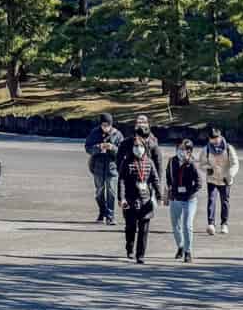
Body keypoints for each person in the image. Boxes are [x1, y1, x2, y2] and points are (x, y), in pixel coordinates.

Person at [118, 132, 162, 263]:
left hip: (146, 200)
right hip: (131, 199)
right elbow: (121, 180)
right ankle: (130, 247)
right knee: (130, 227)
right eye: (135, 146)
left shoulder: (149, 162)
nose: (138, 148)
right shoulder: (127, 161)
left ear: (144, 147)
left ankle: (140, 255)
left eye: (140, 146)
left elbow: (155, 179)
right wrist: (121, 199)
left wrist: (159, 196)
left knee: (144, 230)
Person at [164, 138, 203, 262]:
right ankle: (180, 246)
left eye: (183, 149)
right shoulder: (172, 162)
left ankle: (188, 251)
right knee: (175, 226)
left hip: (189, 200)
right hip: (175, 199)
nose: (180, 151)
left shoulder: (192, 164)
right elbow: (168, 177)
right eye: (178, 149)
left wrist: (189, 193)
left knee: (187, 225)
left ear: (189, 152)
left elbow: (199, 182)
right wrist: (170, 191)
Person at [84, 112, 123, 225]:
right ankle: (102, 212)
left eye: (107, 125)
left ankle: (110, 216)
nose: (105, 127)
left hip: (112, 168)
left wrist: (112, 148)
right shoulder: (94, 133)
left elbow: (122, 152)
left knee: (111, 192)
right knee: (99, 192)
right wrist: (98, 147)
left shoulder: (118, 134)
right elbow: (87, 148)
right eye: (103, 125)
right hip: (98, 168)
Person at [201, 125, 239, 235]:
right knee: (211, 200)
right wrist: (207, 169)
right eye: (212, 138)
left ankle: (224, 224)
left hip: (225, 180)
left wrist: (230, 175)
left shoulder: (228, 148)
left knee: (225, 202)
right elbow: (202, 163)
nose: (214, 140)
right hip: (212, 179)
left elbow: (235, 163)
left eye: (216, 138)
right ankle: (211, 224)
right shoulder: (206, 149)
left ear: (220, 137)